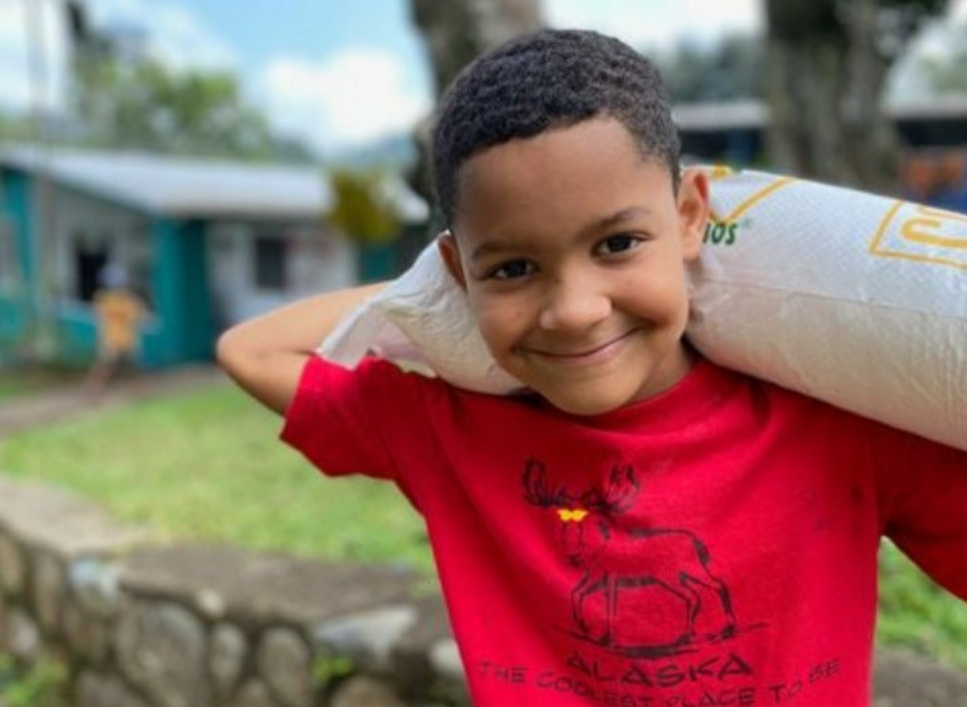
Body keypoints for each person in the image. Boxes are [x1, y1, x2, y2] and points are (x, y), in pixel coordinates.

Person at [217, 29, 967, 706]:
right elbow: (249, 350)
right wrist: (434, 293)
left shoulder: (841, 419)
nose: (574, 311)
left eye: (617, 244)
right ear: (455, 272)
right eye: (513, 267)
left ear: (688, 217)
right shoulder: (448, 435)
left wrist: (487, 274)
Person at [83, 263, 145, 393]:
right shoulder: (104, 298)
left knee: (132, 366)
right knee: (105, 366)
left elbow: (137, 315)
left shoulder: (127, 299)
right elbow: (99, 312)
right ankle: (92, 390)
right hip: (110, 338)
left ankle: (137, 390)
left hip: (127, 338)